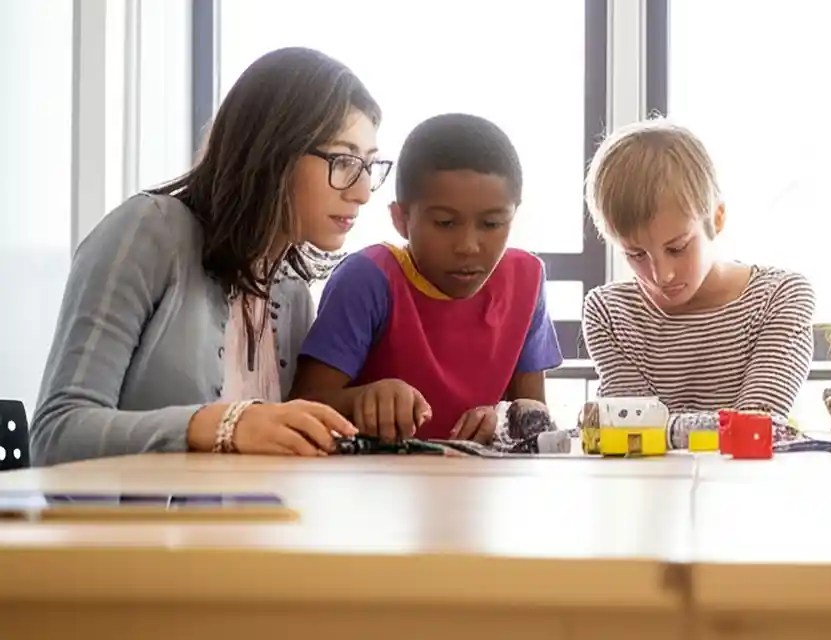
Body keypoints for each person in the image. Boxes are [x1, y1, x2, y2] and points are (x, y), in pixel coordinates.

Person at [32, 47, 381, 465]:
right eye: (343, 161)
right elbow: (56, 434)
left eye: (370, 166)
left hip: (243, 528)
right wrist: (222, 425)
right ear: (274, 151)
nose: (361, 192)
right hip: (133, 530)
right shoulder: (148, 231)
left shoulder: (292, 292)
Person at [291, 113, 562, 443]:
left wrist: (504, 420)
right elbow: (302, 404)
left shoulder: (527, 280)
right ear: (401, 219)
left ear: (513, 216)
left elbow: (535, 412)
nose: (468, 247)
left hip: (481, 485)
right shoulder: (369, 278)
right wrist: (365, 399)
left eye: (491, 224)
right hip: (374, 483)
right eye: (445, 223)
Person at [581, 118, 816, 448]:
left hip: (750, 490)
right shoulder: (609, 312)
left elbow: (759, 427)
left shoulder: (779, 296)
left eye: (677, 248)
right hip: (648, 491)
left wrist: (662, 428)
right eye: (635, 254)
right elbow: (633, 431)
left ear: (717, 218)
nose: (662, 275)